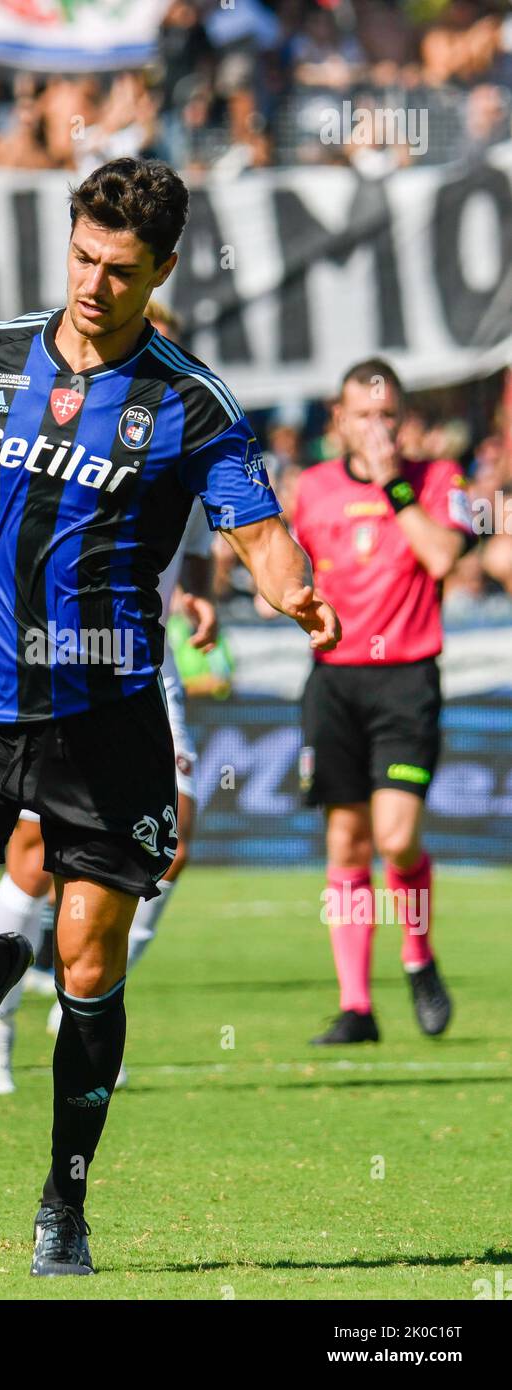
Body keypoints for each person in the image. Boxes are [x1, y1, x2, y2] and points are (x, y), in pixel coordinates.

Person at [0, 157, 340, 1277]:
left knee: (91, 960)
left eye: (119, 268)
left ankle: (64, 1199)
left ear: (159, 268)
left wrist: (287, 585)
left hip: (105, 724)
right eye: (82, 256)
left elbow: (256, 527)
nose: (94, 283)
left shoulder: (188, 401)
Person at [0, 298, 219, 1098]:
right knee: (37, 855)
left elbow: (208, 538)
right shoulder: (72, 423)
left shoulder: (192, 418)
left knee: (172, 835)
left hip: (146, 664)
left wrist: (203, 598)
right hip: (62, 659)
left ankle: (81, 993)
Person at [294, 359, 474, 1046]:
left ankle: (419, 956)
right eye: (363, 414)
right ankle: (356, 1007)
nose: (377, 427)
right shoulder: (311, 489)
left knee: (397, 838)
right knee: (346, 840)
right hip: (335, 680)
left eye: (388, 414)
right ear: (338, 420)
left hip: (406, 678)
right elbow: (287, 569)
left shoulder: (437, 481)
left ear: (404, 420)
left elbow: (441, 559)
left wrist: (396, 485)